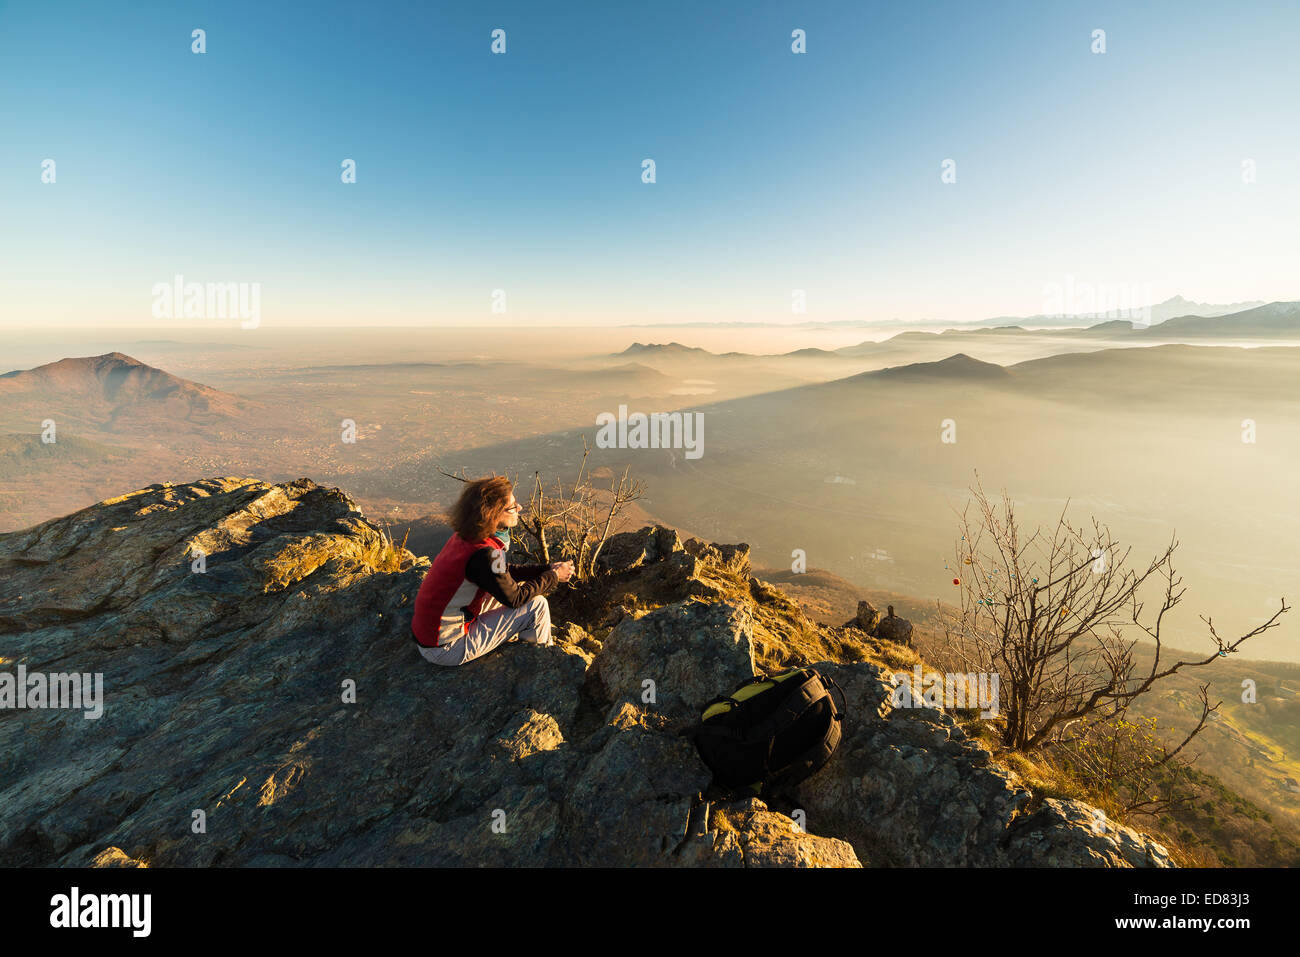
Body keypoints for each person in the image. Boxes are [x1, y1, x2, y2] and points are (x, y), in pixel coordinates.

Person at [410, 475, 574, 666]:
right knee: (536, 606)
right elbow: (515, 599)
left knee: (520, 588)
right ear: (494, 514)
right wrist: (553, 576)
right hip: (446, 648)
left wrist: (545, 569)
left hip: (431, 635)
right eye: (512, 506)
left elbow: (502, 573)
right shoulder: (486, 554)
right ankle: (541, 666)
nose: (519, 508)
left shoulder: (468, 537)